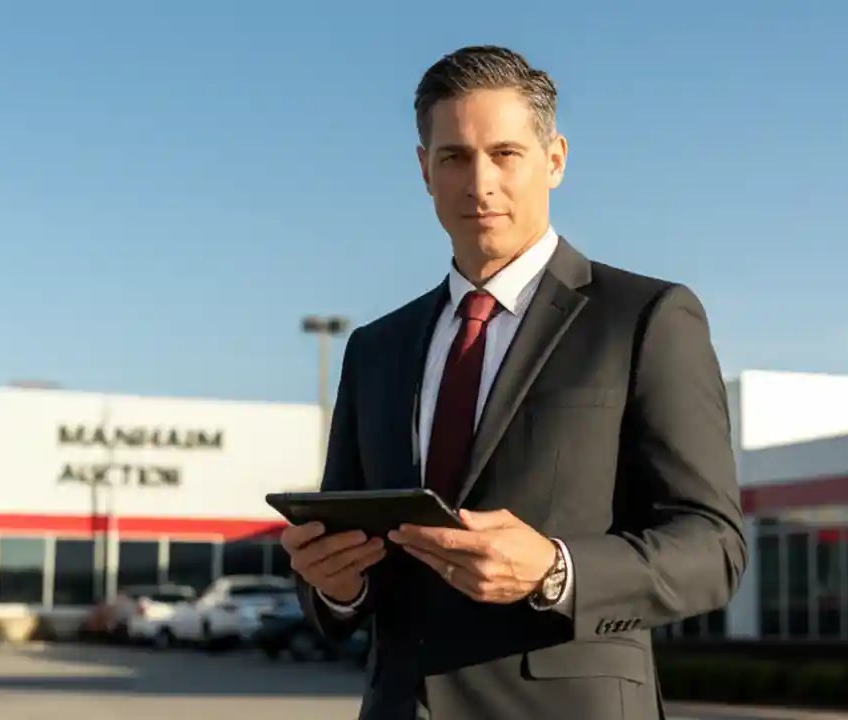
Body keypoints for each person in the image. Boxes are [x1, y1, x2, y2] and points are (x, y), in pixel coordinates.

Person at [280, 45, 747, 720]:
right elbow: (351, 555)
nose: (480, 182)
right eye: (454, 158)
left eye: (505, 154)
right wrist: (333, 585)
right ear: (423, 171)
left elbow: (714, 547)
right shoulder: (374, 349)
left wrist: (556, 570)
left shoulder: (646, 318)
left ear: (554, 158)